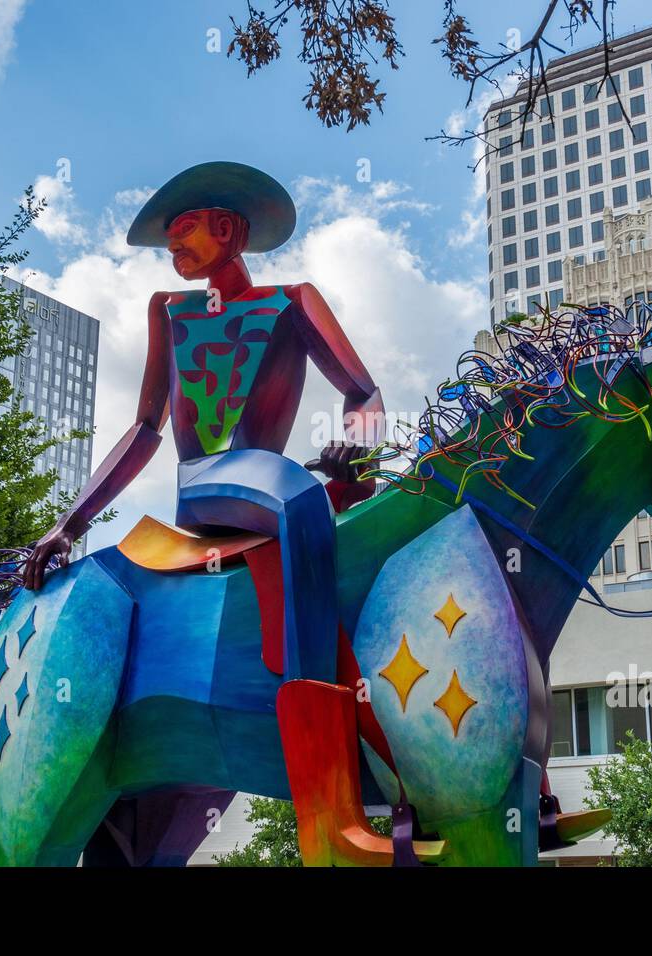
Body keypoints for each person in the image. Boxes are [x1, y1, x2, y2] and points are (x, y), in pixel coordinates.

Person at [22, 161, 393, 864]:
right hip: (209, 485)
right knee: (296, 494)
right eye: (168, 239)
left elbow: (365, 395)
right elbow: (144, 430)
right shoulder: (169, 310)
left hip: (267, 486)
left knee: (357, 532)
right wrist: (68, 522)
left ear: (227, 229)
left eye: (183, 230)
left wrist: (359, 451)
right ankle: (330, 816)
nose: (172, 249)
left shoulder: (293, 303)